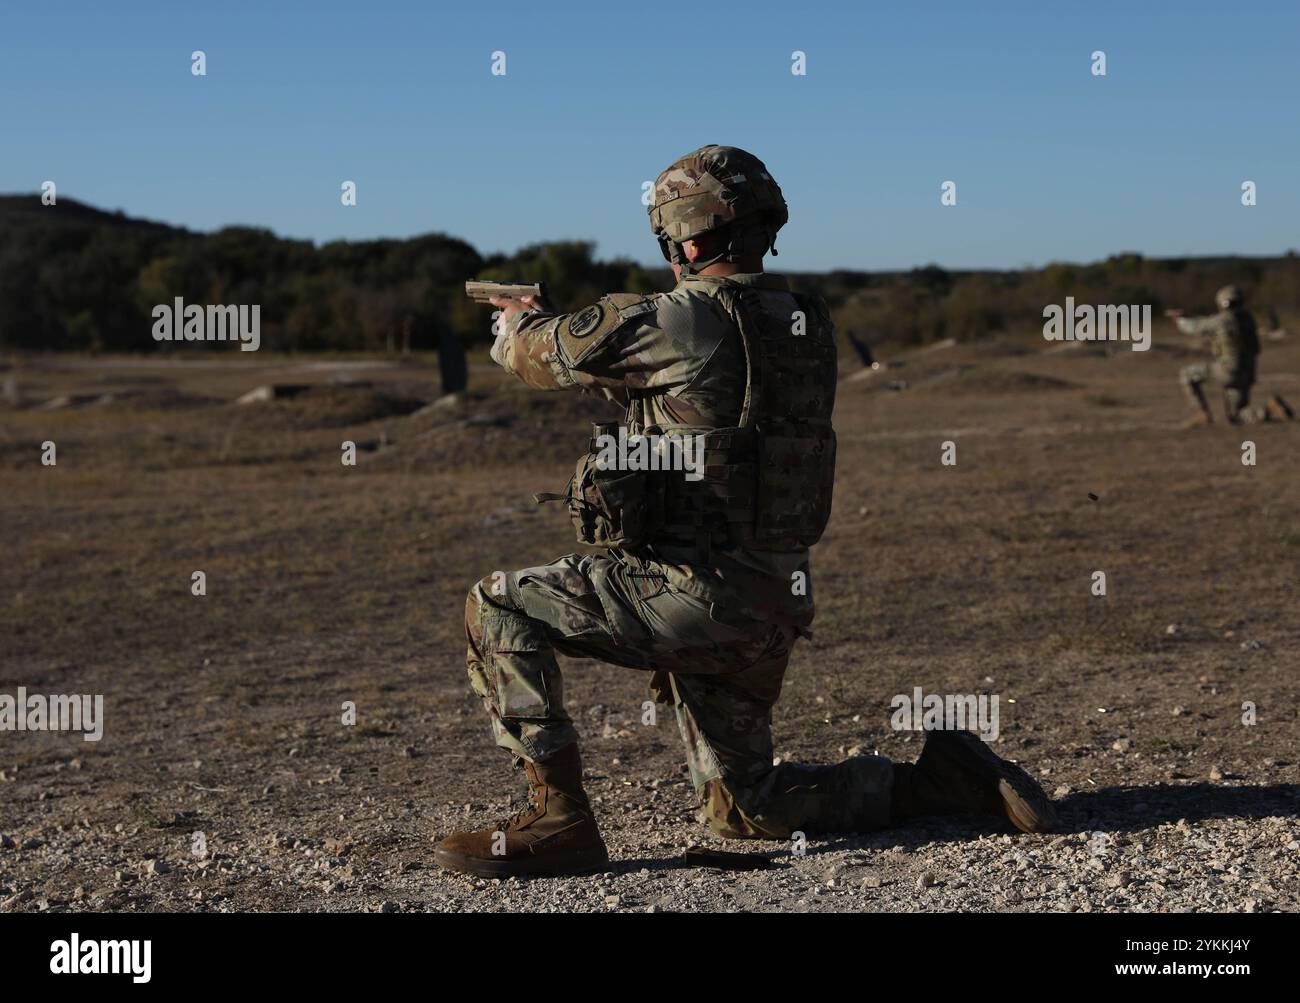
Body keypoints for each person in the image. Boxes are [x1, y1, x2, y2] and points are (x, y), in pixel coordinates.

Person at [435, 146, 1056, 878]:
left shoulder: (678, 317)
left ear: (686, 239)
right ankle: (938, 780)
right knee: (745, 805)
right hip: (770, 601)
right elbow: (704, 405)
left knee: (497, 605)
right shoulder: (803, 323)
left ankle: (559, 819)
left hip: (686, 596)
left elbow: (541, 357)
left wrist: (517, 328)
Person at [1166, 285, 1260, 426]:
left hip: (1228, 371)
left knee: (1187, 375)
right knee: (1238, 415)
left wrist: (1180, 320)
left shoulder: (1222, 321)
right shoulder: (1248, 319)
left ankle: (1201, 413)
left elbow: (1195, 327)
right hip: (1248, 372)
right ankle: (1267, 411)